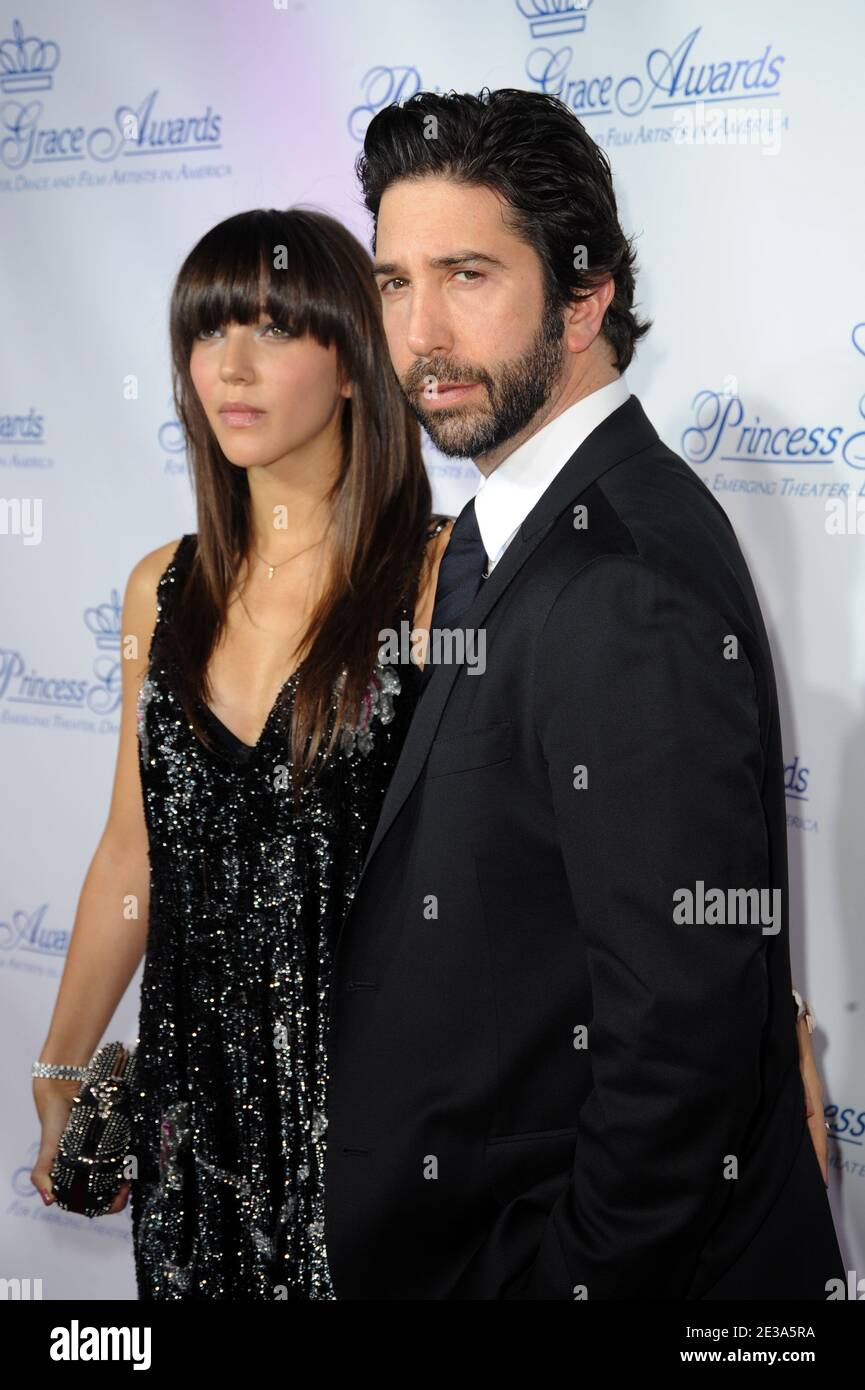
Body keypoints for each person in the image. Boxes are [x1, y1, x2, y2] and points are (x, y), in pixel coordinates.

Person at [322, 88, 846, 1299]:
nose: (419, 334)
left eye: (466, 275)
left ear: (584, 297)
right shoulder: (497, 533)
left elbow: (677, 1043)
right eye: (395, 282)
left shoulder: (620, 579)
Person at [30, 207, 452, 1299]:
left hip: (376, 1125)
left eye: (274, 329)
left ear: (356, 363)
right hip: (191, 1131)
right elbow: (131, 854)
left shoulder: (437, 579)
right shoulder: (158, 588)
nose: (233, 365)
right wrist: (61, 1066)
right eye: (209, 332)